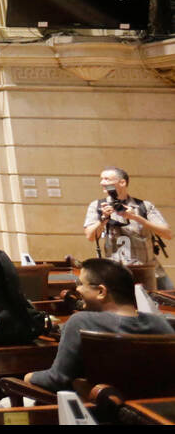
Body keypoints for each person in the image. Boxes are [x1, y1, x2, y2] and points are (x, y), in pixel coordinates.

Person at [23, 258, 173, 391]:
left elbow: (57, 380)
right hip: (155, 414)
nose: (77, 289)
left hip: (98, 414)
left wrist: (28, 377)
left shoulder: (80, 322)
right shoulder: (161, 325)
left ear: (101, 291)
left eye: (80, 283)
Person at [84, 167, 170, 280]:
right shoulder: (97, 206)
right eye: (101, 179)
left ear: (122, 182)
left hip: (148, 271)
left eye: (107, 179)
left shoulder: (144, 206)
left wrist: (136, 217)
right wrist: (104, 218)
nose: (102, 183)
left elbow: (167, 234)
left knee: (167, 296)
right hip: (116, 274)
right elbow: (90, 236)